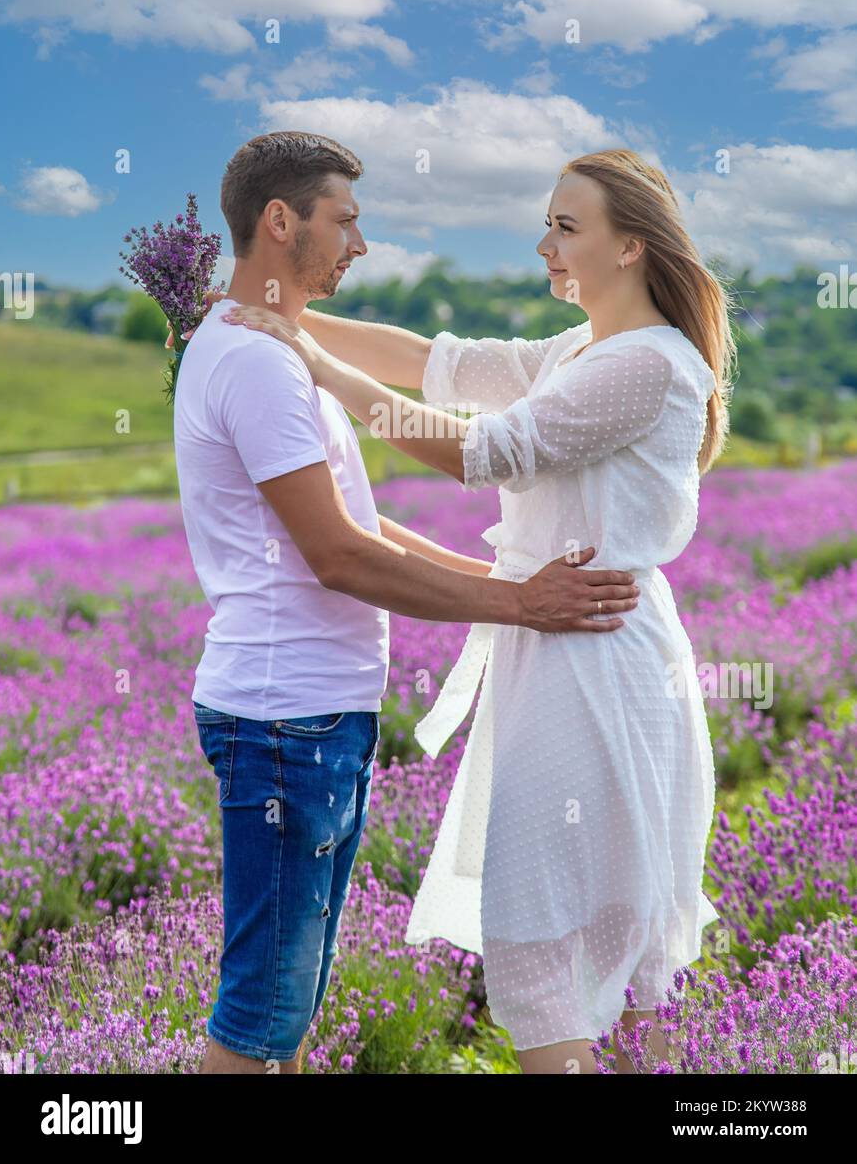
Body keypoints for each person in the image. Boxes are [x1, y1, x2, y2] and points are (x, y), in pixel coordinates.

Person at [225, 146, 735, 1075]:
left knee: (551, 927)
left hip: (595, 654)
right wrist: (283, 315)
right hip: (561, 642)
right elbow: (435, 363)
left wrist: (312, 363)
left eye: (566, 227)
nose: (545, 243)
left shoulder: (645, 367)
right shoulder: (585, 349)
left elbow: (480, 452)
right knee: (575, 924)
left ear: (630, 248)